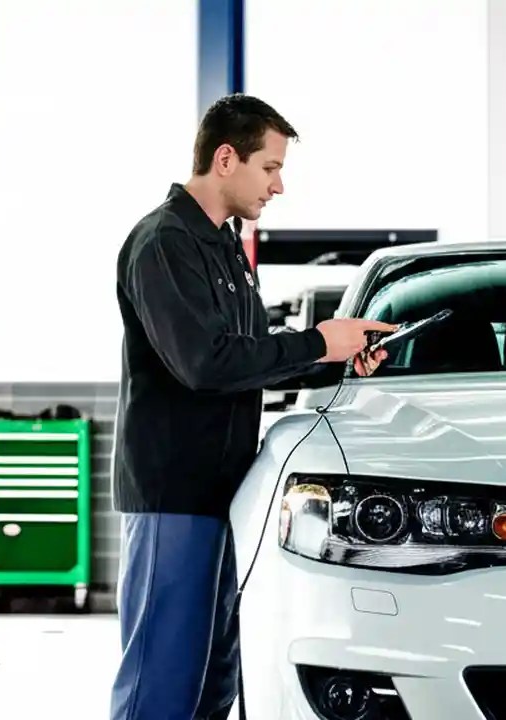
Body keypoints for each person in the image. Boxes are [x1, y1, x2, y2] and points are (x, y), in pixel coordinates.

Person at [109, 93, 394, 720]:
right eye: (271, 168)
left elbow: (251, 351)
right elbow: (205, 363)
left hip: (226, 491)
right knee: (163, 681)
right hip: (175, 495)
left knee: (214, 680)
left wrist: (335, 356)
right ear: (227, 158)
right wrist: (322, 340)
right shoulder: (164, 243)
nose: (280, 185)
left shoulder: (226, 248)